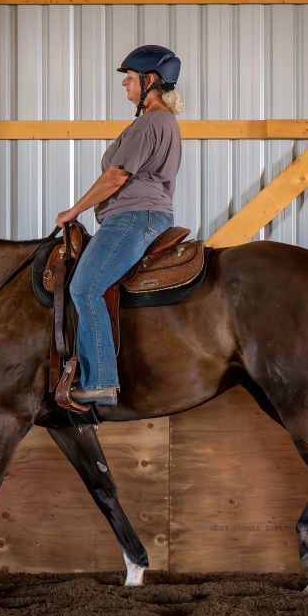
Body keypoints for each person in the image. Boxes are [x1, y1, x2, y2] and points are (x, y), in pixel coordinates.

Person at [53, 45, 184, 406]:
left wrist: (72, 211)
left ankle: (100, 382)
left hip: (132, 217)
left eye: (129, 77)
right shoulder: (159, 123)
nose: (125, 84)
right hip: (143, 215)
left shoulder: (151, 123)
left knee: (84, 289)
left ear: (150, 81)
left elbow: (114, 179)